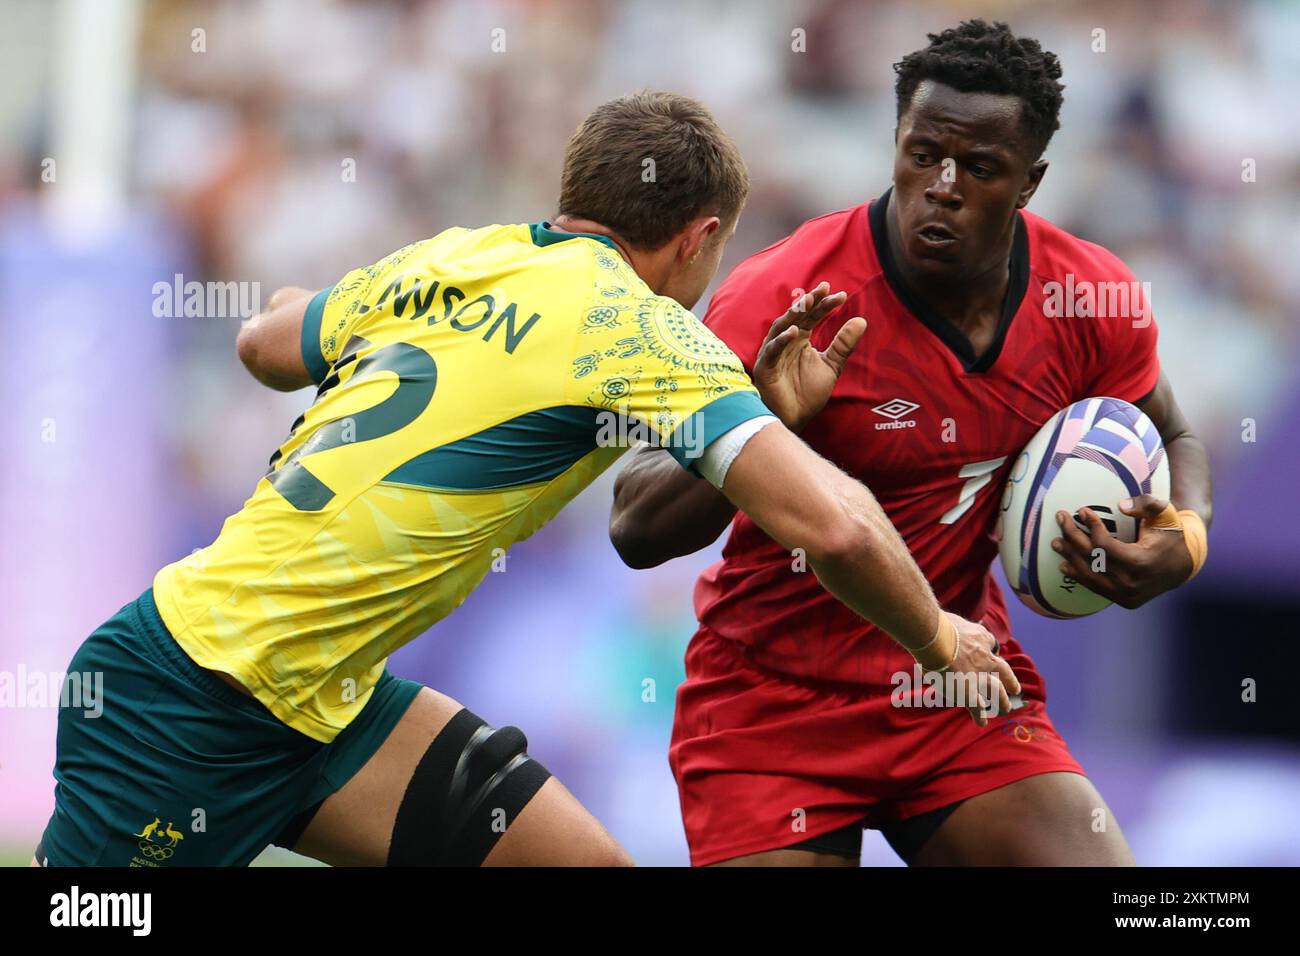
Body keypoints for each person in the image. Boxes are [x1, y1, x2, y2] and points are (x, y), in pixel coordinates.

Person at [35, 90, 1005, 867]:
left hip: (319, 702)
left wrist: (331, 306)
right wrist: (934, 632)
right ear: (700, 236)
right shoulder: (637, 322)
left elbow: (264, 343)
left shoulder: (459, 256)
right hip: (186, 699)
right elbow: (832, 524)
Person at [610, 21, 1212, 867]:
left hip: (957, 683)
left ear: (1030, 182)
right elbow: (635, 526)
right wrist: (761, 424)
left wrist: (1184, 537)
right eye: (923, 154)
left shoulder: (1087, 297)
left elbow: (1175, 432)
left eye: (980, 168)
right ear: (894, 142)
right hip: (773, 706)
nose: (943, 186)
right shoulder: (789, 297)